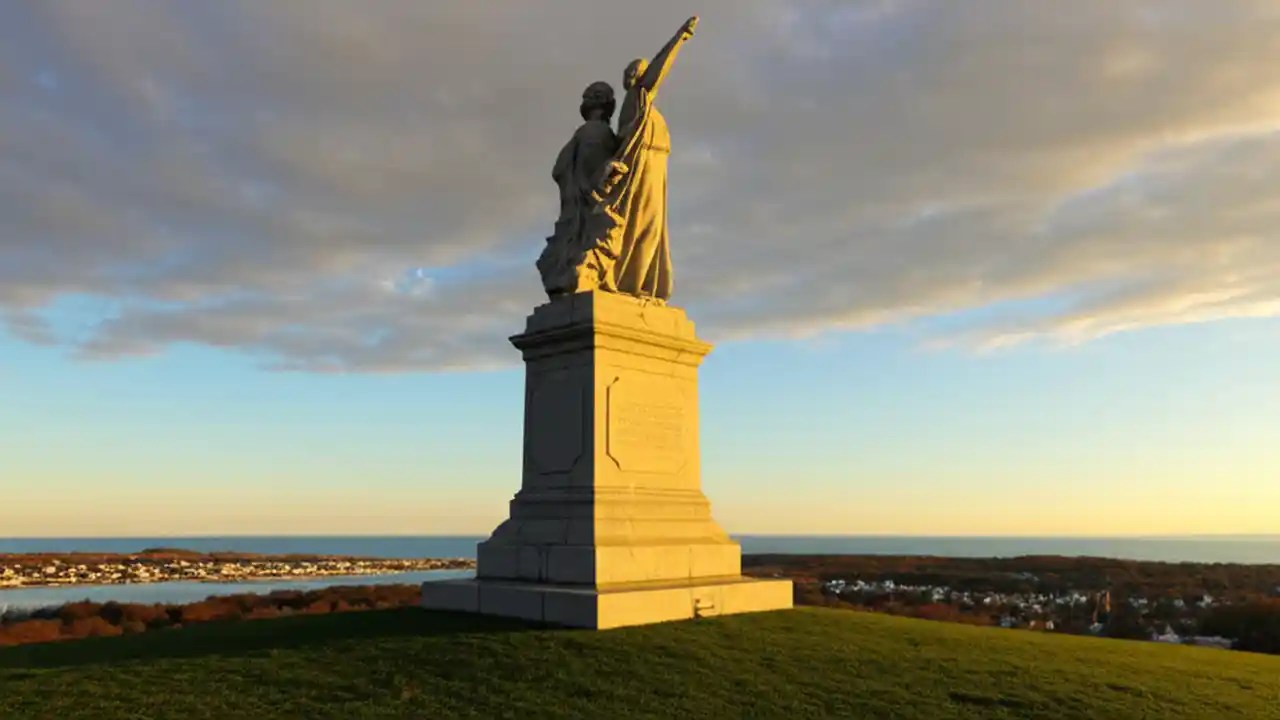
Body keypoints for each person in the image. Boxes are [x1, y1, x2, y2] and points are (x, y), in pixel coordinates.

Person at [591, 16, 699, 303]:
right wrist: (679, 39)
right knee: (645, 226)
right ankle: (634, 284)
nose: (635, 76)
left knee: (647, 226)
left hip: (653, 165)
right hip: (643, 165)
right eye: (635, 72)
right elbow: (659, 71)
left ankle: (635, 282)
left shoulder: (641, 106)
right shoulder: (638, 96)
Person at [537, 81, 620, 297]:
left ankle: (579, 274)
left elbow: (559, 170)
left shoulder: (585, 133)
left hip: (577, 205)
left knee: (579, 244)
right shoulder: (598, 133)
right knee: (591, 242)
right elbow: (596, 177)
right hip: (587, 204)